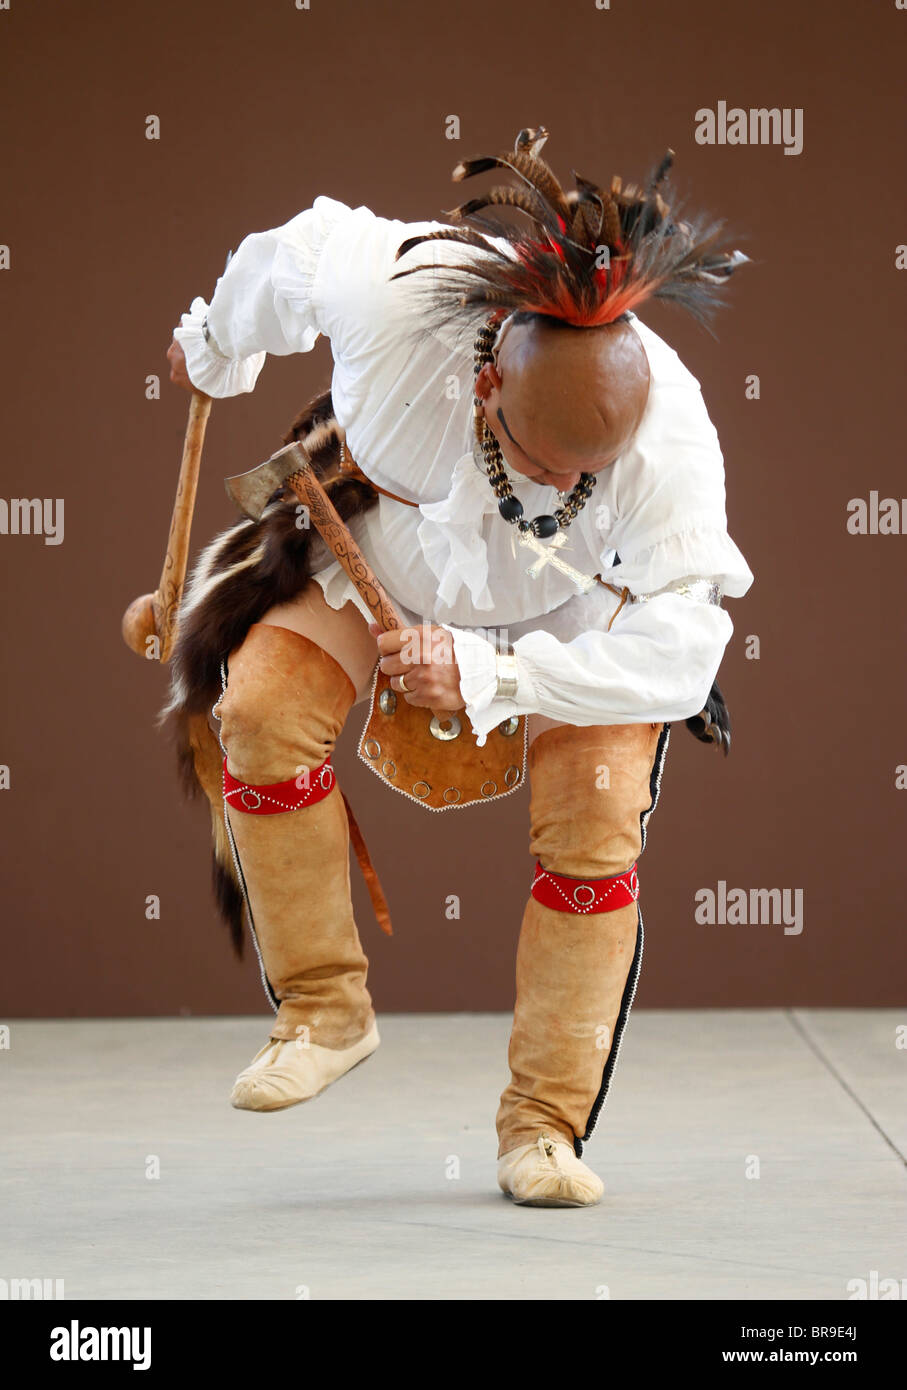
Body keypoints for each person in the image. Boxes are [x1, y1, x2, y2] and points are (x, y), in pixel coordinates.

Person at [164, 128, 753, 1207]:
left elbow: (681, 655)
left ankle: (544, 1127)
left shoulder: (671, 438)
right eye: (543, 462)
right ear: (487, 382)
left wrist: (501, 678)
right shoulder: (399, 298)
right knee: (256, 707)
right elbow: (293, 255)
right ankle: (322, 1009)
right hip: (377, 546)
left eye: (593, 469)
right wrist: (216, 342)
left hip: (572, 618)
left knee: (600, 809)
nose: (564, 484)